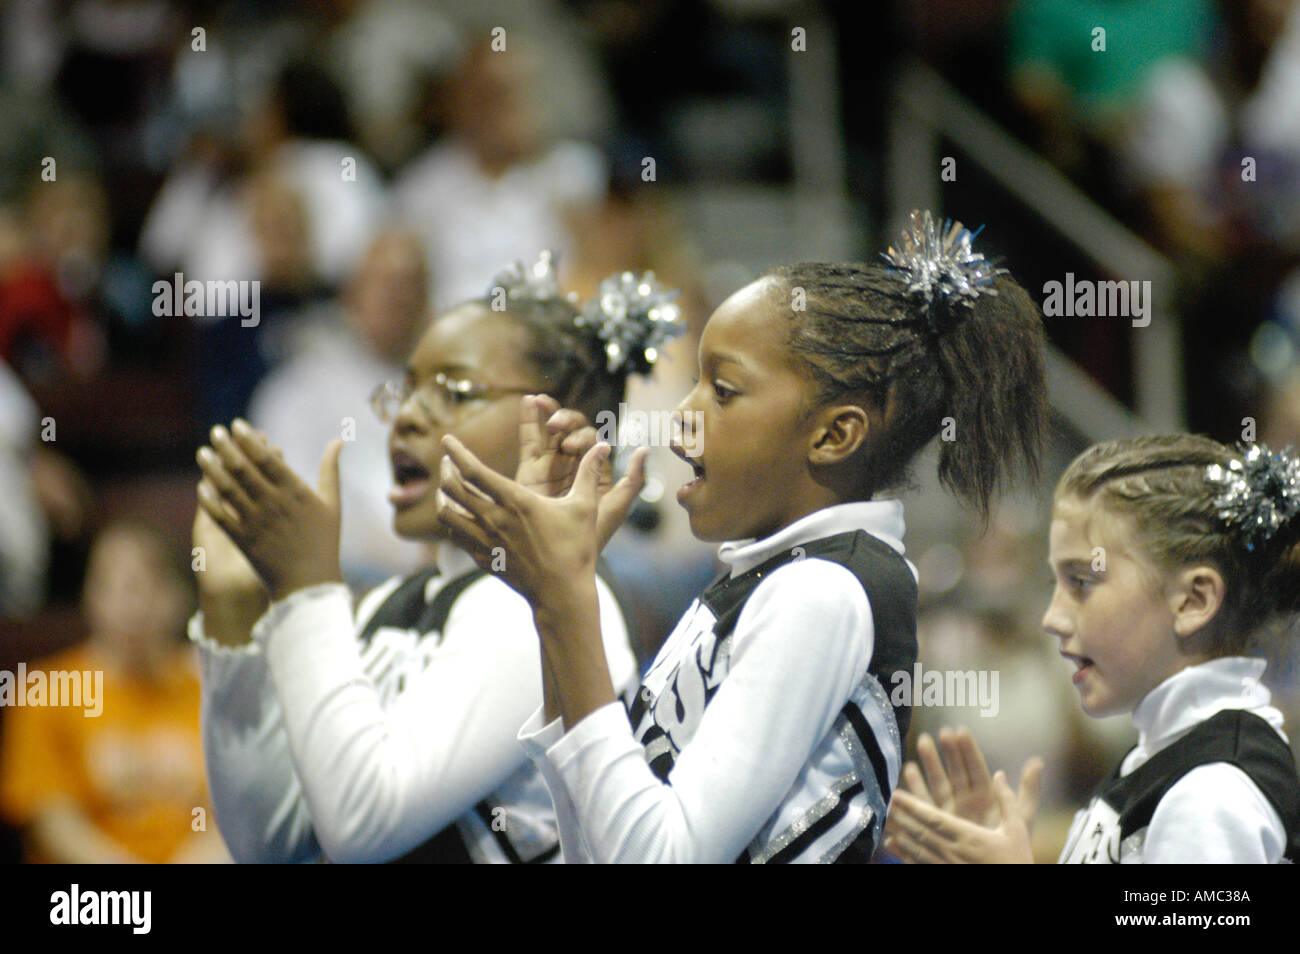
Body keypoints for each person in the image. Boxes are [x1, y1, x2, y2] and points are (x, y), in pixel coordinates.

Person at [434, 211, 1048, 862]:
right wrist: (555, 590)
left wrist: (566, 599)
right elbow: (594, 843)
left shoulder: (821, 592)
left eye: (723, 390)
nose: (682, 419)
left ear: (834, 434)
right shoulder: (767, 582)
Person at [190, 252, 672, 863]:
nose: (408, 418)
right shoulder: (393, 603)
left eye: (454, 391)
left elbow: (362, 827)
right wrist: (232, 610)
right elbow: (272, 847)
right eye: (408, 388)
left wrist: (308, 589)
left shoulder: (538, 611)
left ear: (554, 424)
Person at [884, 435, 1300, 863]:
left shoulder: (1212, 795)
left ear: (1193, 600)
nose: (1052, 618)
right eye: (1054, 584)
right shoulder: (1161, 757)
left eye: (1081, 582)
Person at [0, 521, 228, 863]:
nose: (131, 606)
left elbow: (236, 816)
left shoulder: (215, 691)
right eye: (112, 585)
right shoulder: (46, 690)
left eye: (147, 585)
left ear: (181, 596)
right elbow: (50, 820)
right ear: (88, 595)